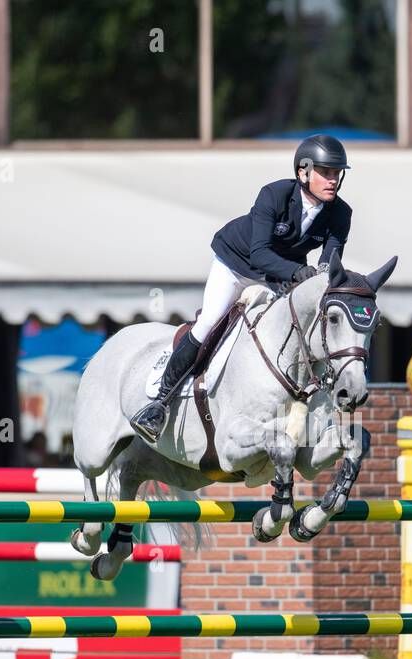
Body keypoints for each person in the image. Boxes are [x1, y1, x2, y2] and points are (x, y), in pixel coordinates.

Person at [130, 134, 354, 443]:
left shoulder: (341, 214)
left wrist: (320, 282)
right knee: (210, 321)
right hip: (237, 264)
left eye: (336, 173)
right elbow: (260, 253)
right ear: (304, 172)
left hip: (279, 275)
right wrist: (299, 272)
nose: (333, 180)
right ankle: (160, 404)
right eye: (326, 172)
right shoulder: (274, 195)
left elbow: (328, 268)